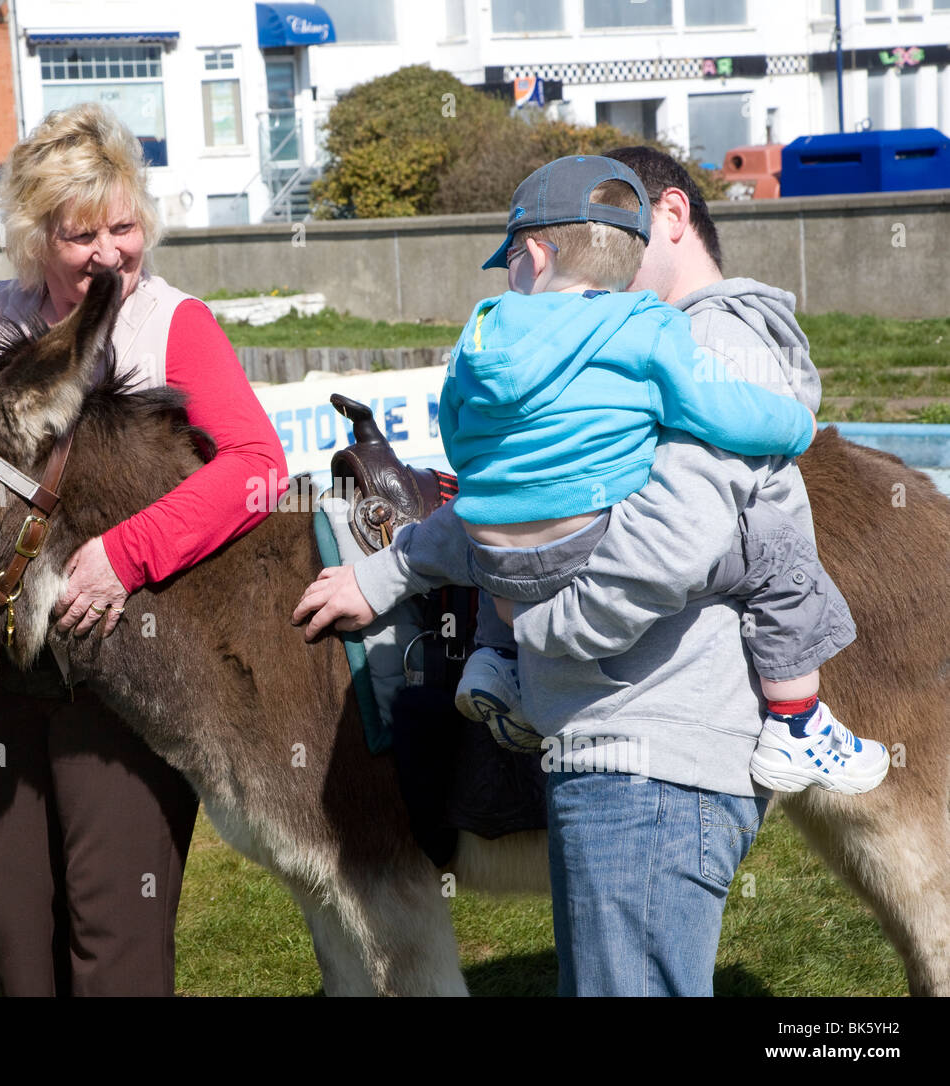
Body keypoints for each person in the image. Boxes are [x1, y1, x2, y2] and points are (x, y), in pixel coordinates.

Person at [294, 147, 878, 995]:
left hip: (650, 753)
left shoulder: (708, 332)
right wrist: (392, 575)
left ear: (670, 218)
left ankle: (795, 719)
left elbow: (668, 545)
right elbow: (508, 497)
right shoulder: (628, 340)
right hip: (616, 744)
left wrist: (544, 637)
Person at [0, 103, 286, 996]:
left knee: (114, 934)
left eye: (125, 226)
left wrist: (124, 554)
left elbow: (261, 470)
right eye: (82, 235)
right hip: (11, 668)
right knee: (14, 919)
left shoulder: (172, 326)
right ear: (37, 240)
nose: (111, 252)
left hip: (126, 672)